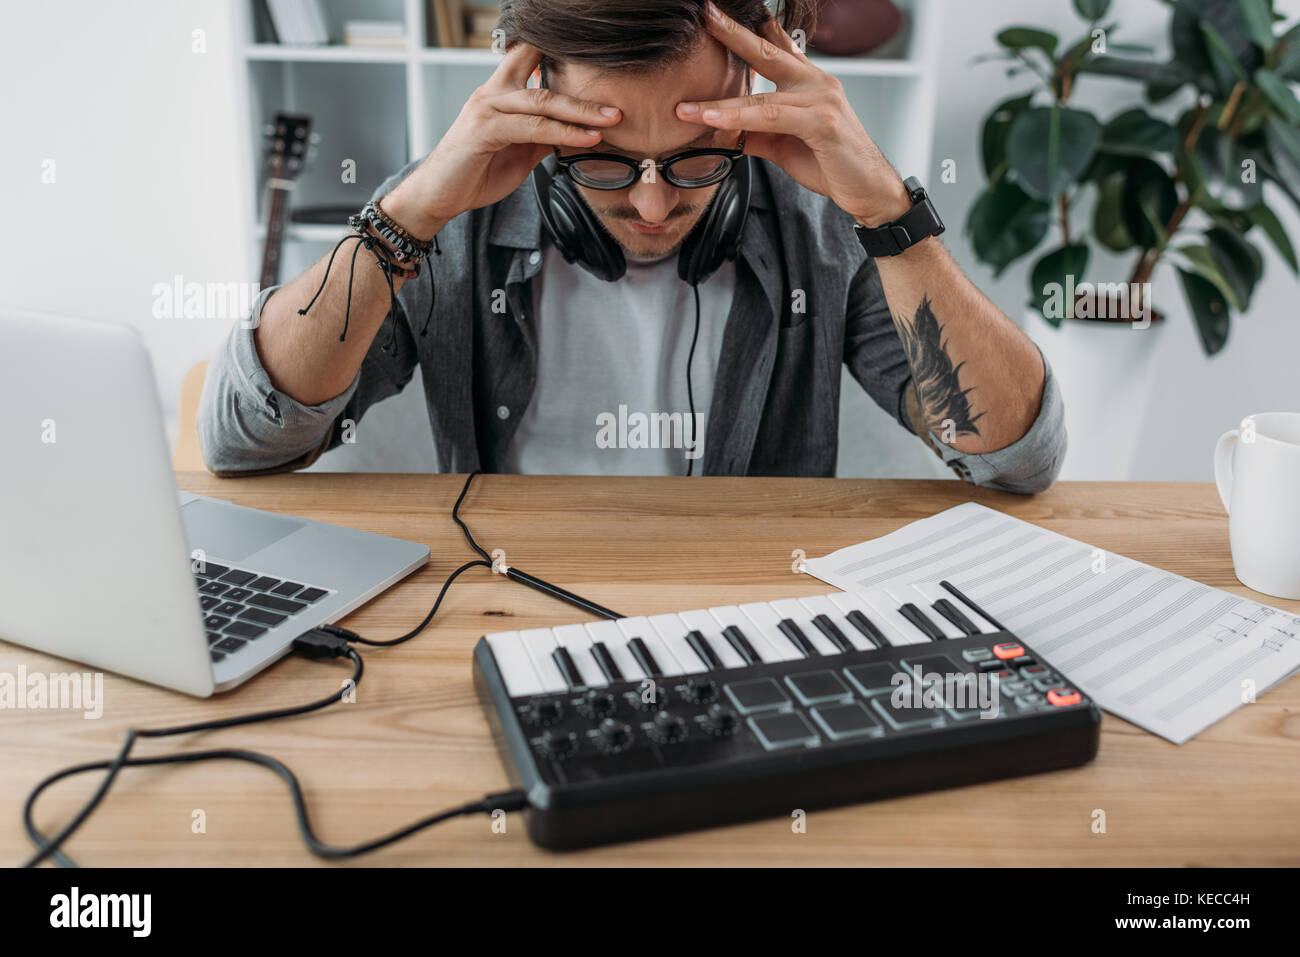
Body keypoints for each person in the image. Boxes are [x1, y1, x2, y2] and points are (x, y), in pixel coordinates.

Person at [199, 0, 1065, 490]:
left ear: (757, 91)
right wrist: (407, 214)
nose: (654, 203)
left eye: (696, 159)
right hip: (506, 609)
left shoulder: (829, 221)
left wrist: (888, 211)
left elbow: (1016, 460)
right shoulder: (444, 217)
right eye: (605, 161)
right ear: (537, 91)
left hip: (749, 620)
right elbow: (242, 438)